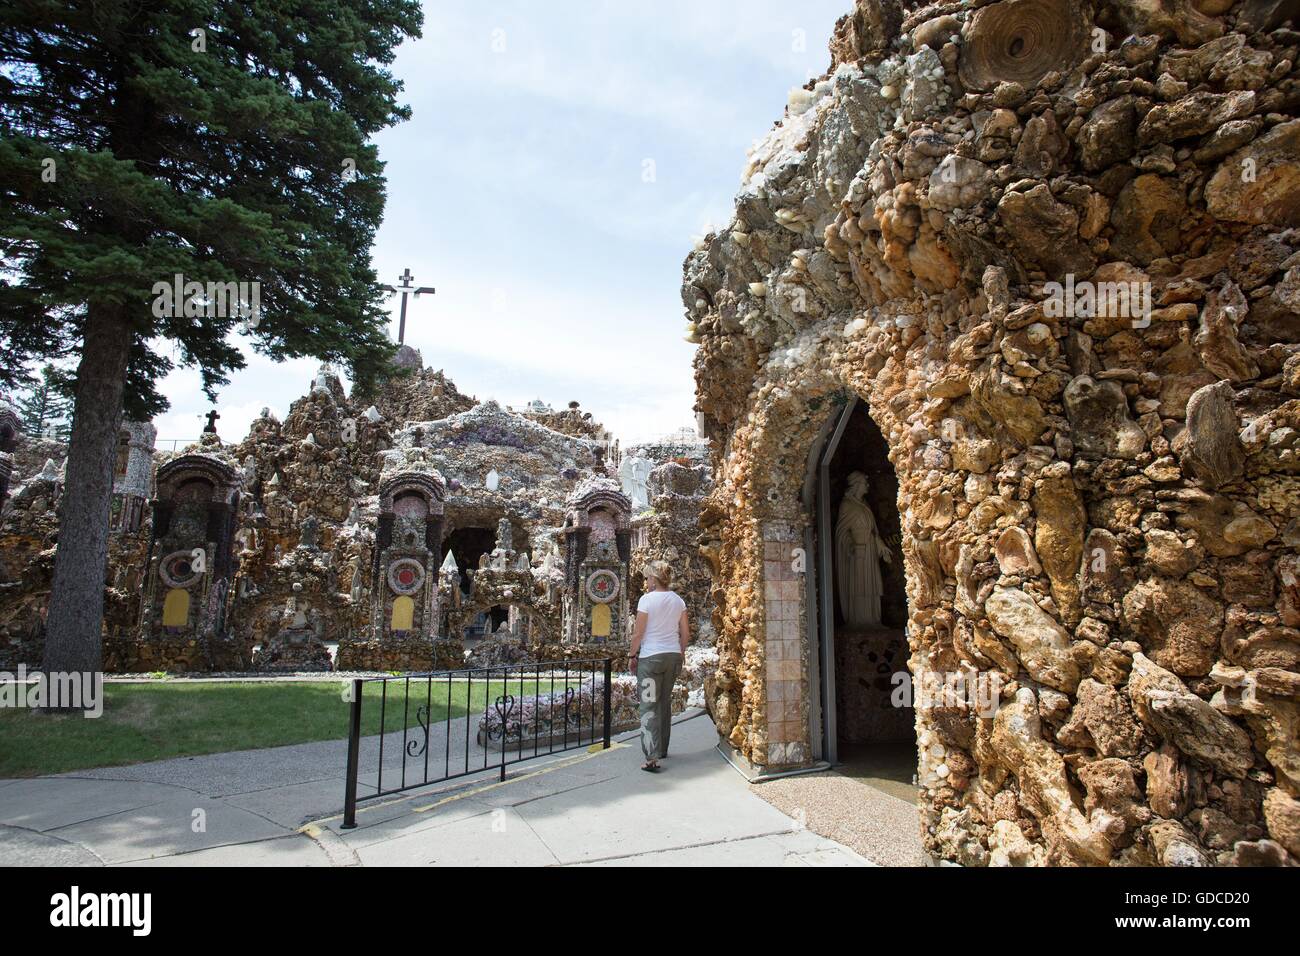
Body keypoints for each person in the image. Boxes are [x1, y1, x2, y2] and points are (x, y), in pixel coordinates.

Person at [630, 559, 688, 772]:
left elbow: (638, 632)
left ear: (654, 580)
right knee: (664, 702)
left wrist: (632, 654)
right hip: (672, 657)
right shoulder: (678, 601)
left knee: (648, 704)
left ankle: (651, 757)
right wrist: (680, 654)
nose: (646, 582)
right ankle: (662, 748)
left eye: (647, 578)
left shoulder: (646, 600)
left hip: (651, 660)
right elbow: (685, 632)